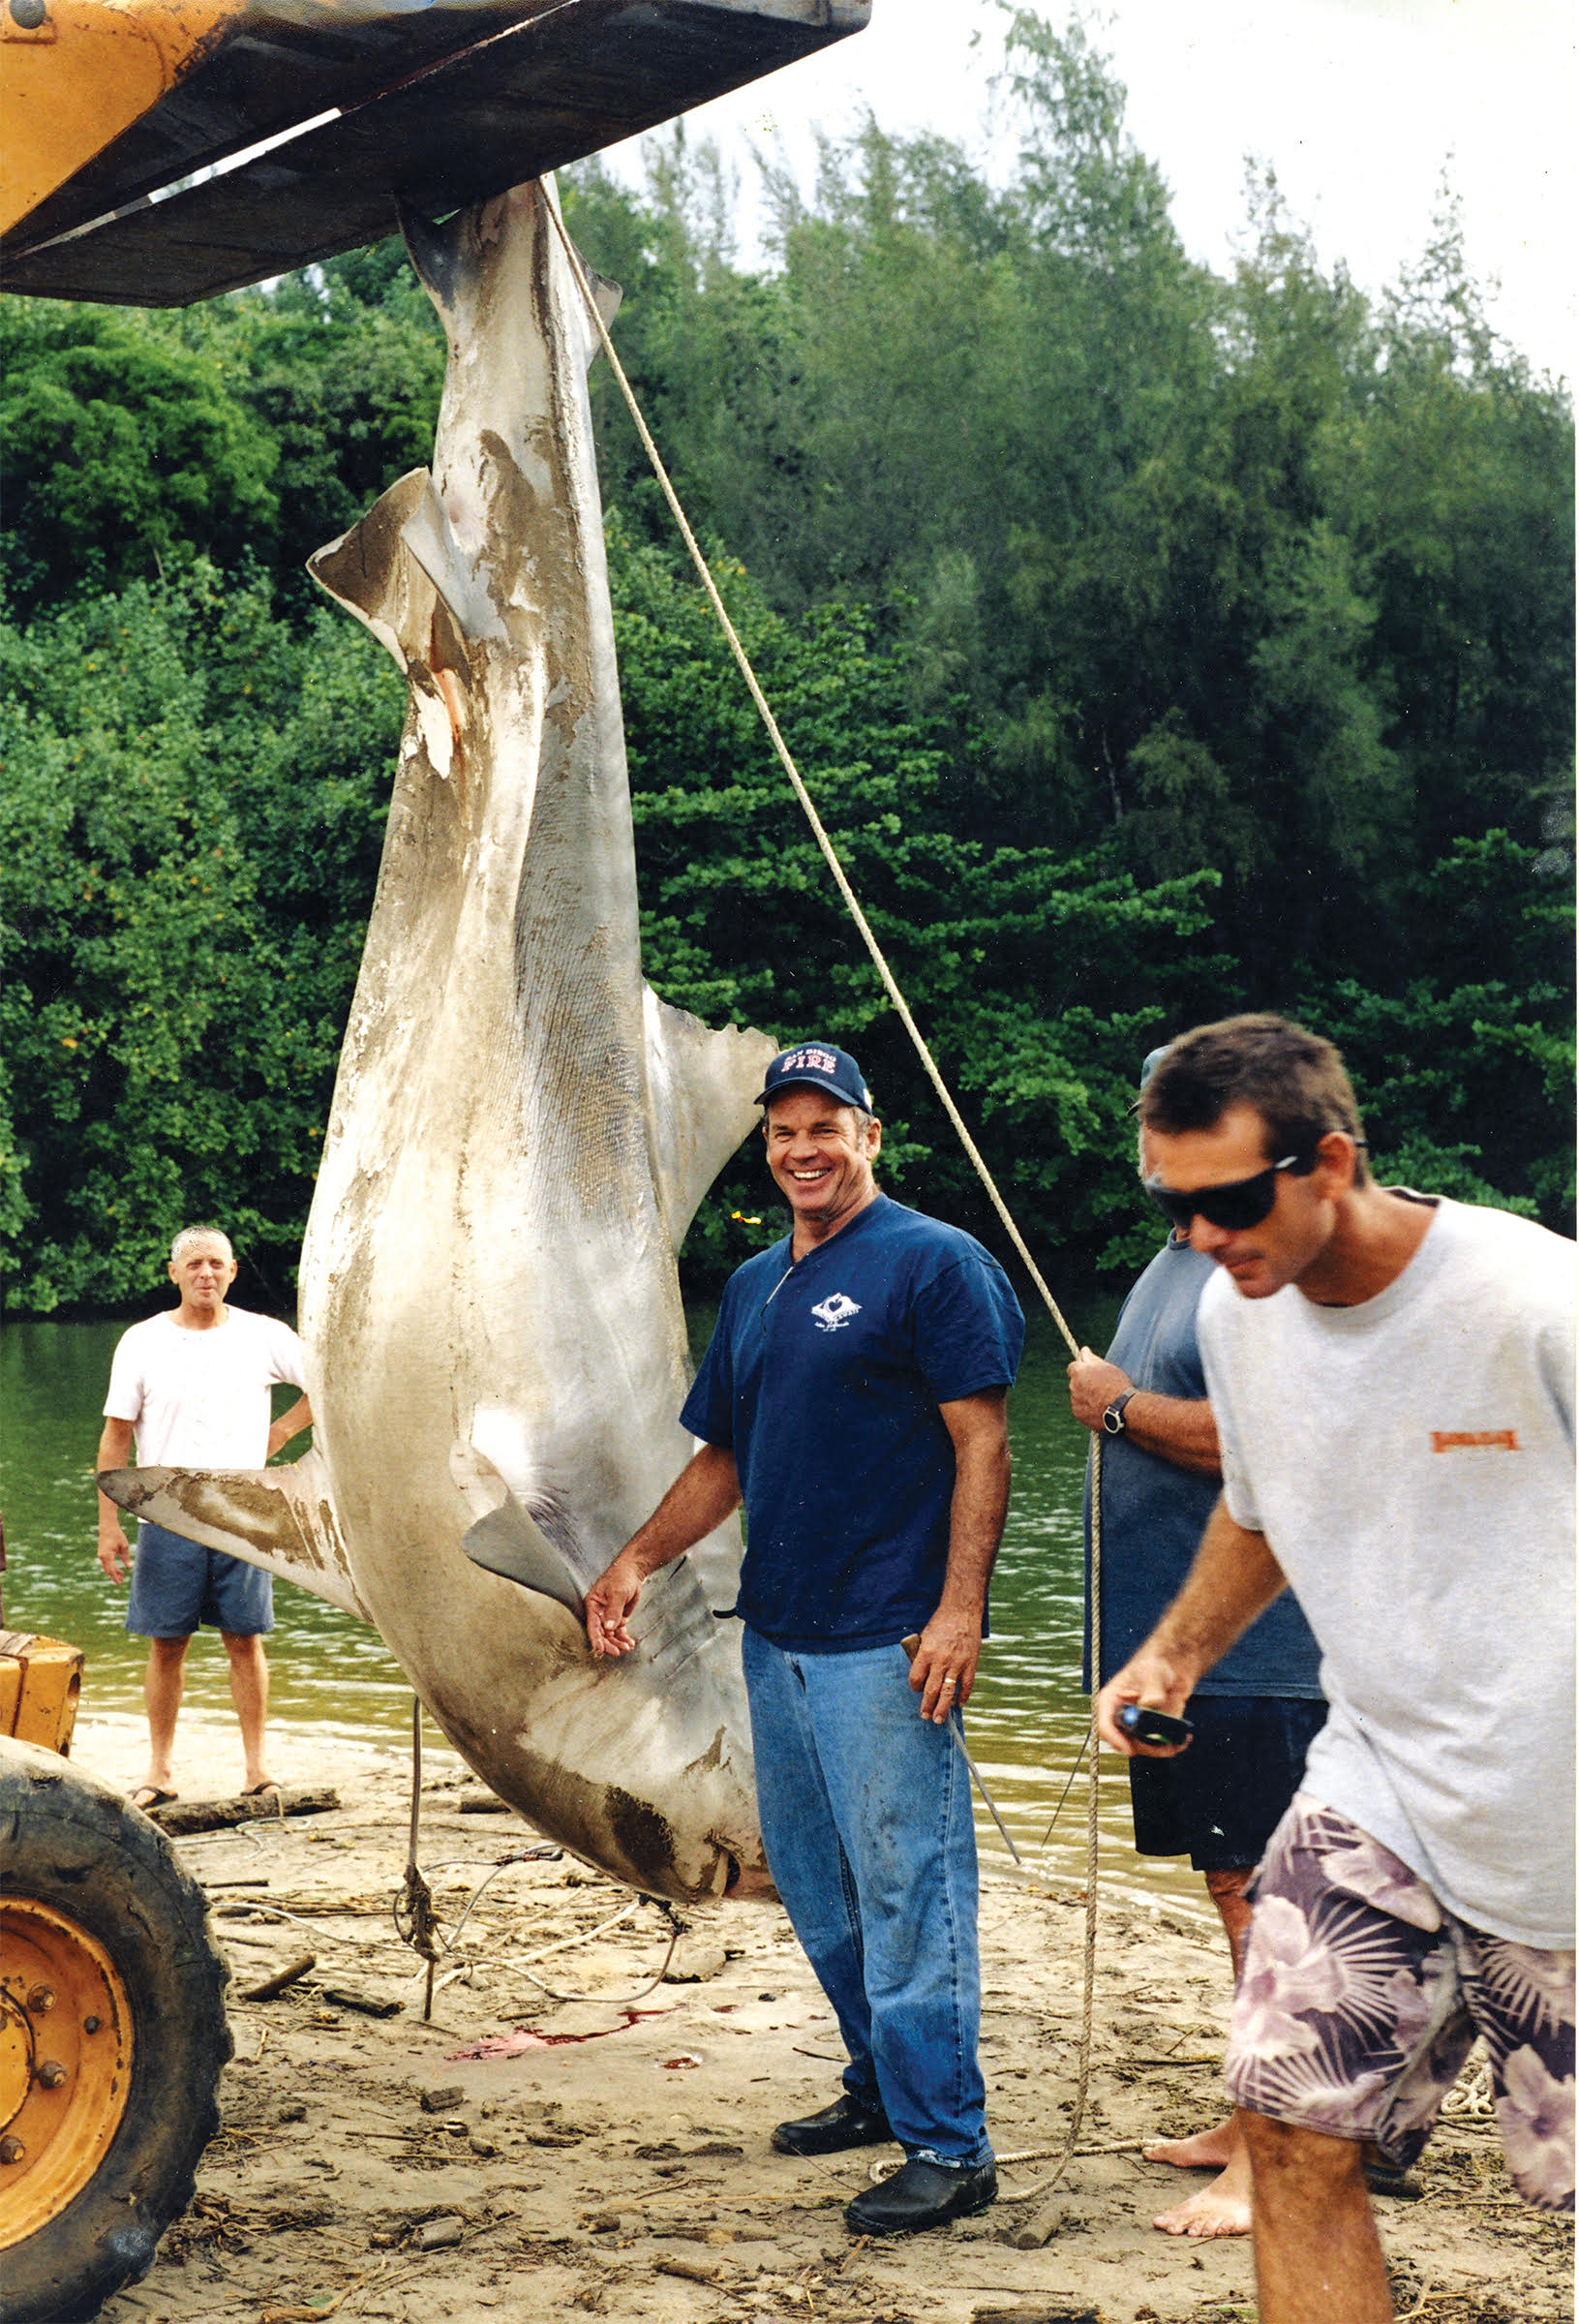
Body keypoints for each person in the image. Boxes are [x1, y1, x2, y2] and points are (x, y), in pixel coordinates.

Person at [1094, 1013, 1575, 2324]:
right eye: (1170, 1205)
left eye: (1229, 1201)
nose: (1200, 1236)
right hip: (1376, 1788)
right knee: (1291, 2127)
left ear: (1328, 1162)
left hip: (1558, 1826)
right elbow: (1257, 1508)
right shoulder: (1235, 1317)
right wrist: (1173, 1656)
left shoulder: (1531, 1304)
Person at [584, 1041, 1024, 2237]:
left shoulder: (936, 1264)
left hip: (887, 1639)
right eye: (781, 1132)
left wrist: (958, 1609)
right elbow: (722, 1460)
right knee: (821, 1895)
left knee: (906, 1888)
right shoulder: (750, 1285)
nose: (800, 1150)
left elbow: (981, 1445)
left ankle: (950, 2145)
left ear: (870, 1136)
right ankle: (879, 2087)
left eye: (824, 1126)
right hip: (773, 1639)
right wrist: (630, 1560)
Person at [1067, 1046, 1325, 2240]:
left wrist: (1116, 1406)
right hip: (1165, 1652)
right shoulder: (1176, 1259)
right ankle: (1247, 2117)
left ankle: (1276, 2161)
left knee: (1266, 1909)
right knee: (1226, 1887)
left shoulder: (1254, 1278)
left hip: (1257, 1660)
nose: (1189, 1206)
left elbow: (1259, 1443)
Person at [97, 1224, 313, 1810]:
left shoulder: (264, 1335)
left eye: (216, 1264)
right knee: (166, 1643)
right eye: (193, 1265)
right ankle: (159, 1770)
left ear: (233, 1271)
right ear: (174, 1274)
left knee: (244, 1638)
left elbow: (330, 1382)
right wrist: (109, 1524)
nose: (205, 1274)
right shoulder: (142, 1341)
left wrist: (280, 1433)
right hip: (164, 1510)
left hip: (241, 1508)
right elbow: (116, 1436)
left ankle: (256, 1769)